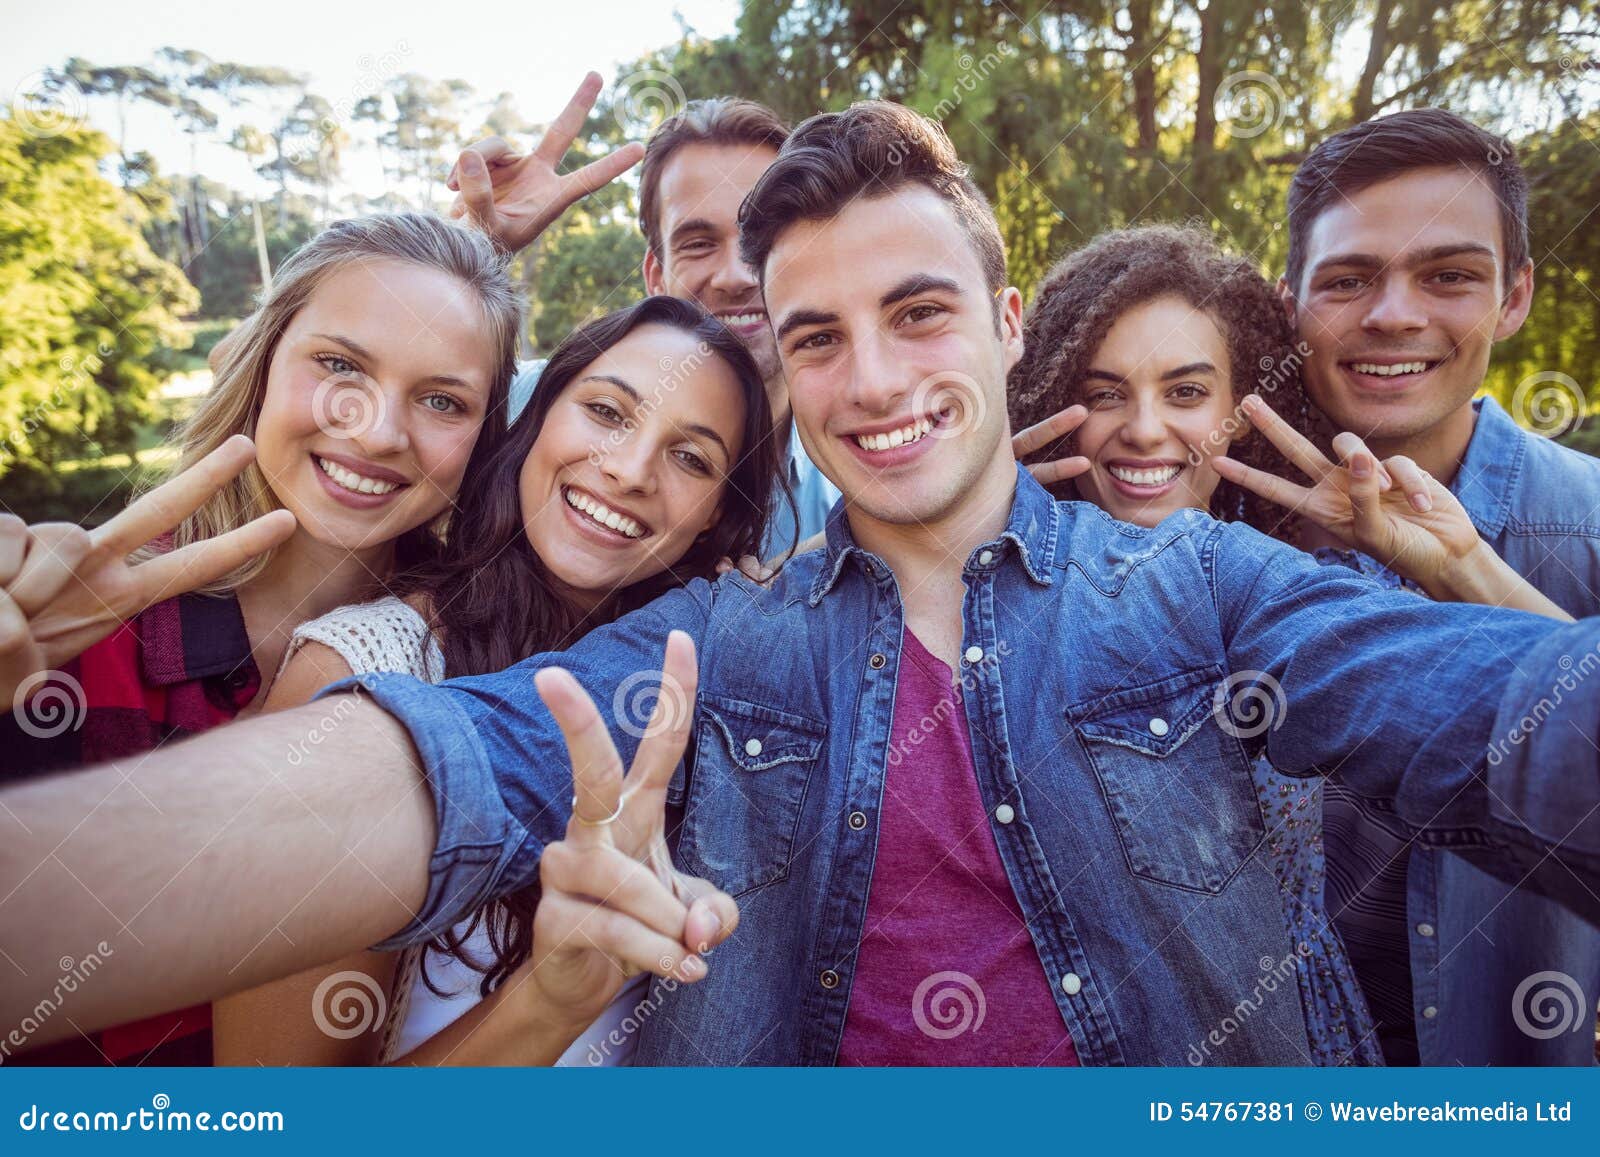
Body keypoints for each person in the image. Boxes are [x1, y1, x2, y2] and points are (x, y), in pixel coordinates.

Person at [4, 101, 1599, 1067]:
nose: (874, 377)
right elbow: (423, 771)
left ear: (1000, 310)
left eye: (917, 313)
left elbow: (1517, 724)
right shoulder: (711, 644)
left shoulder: (1205, 591)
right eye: (817, 334)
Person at [1006, 222, 1574, 1063]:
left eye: (1188, 392)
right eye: (1106, 393)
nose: (1145, 429)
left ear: (1240, 414)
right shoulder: (992, 604)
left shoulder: (1298, 592)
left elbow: (1542, 722)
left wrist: (1461, 568)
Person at [0, 210, 520, 1064]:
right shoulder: (67, 630)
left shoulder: (477, 660)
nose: (378, 430)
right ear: (262, 363)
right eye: (340, 364)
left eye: (441, 399)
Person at [212, 296, 777, 1066]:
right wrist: (547, 999)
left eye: (692, 458)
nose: (629, 468)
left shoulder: (717, 689)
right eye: (607, 412)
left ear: (717, 514)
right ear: (536, 420)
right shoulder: (364, 671)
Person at [1259, 107, 1600, 1066]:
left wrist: (1468, 576)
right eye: (1349, 280)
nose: (1394, 314)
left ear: (1515, 296)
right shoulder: (1222, 526)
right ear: (1293, 302)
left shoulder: (1586, 526)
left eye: (1448, 275)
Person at [446, 84, 1084, 560]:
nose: (736, 274)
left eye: (758, 245)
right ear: (656, 275)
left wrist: (975, 500)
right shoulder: (542, 406)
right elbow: (406, 407)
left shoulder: (861, 477)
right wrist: (477, 254)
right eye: (697, 242)